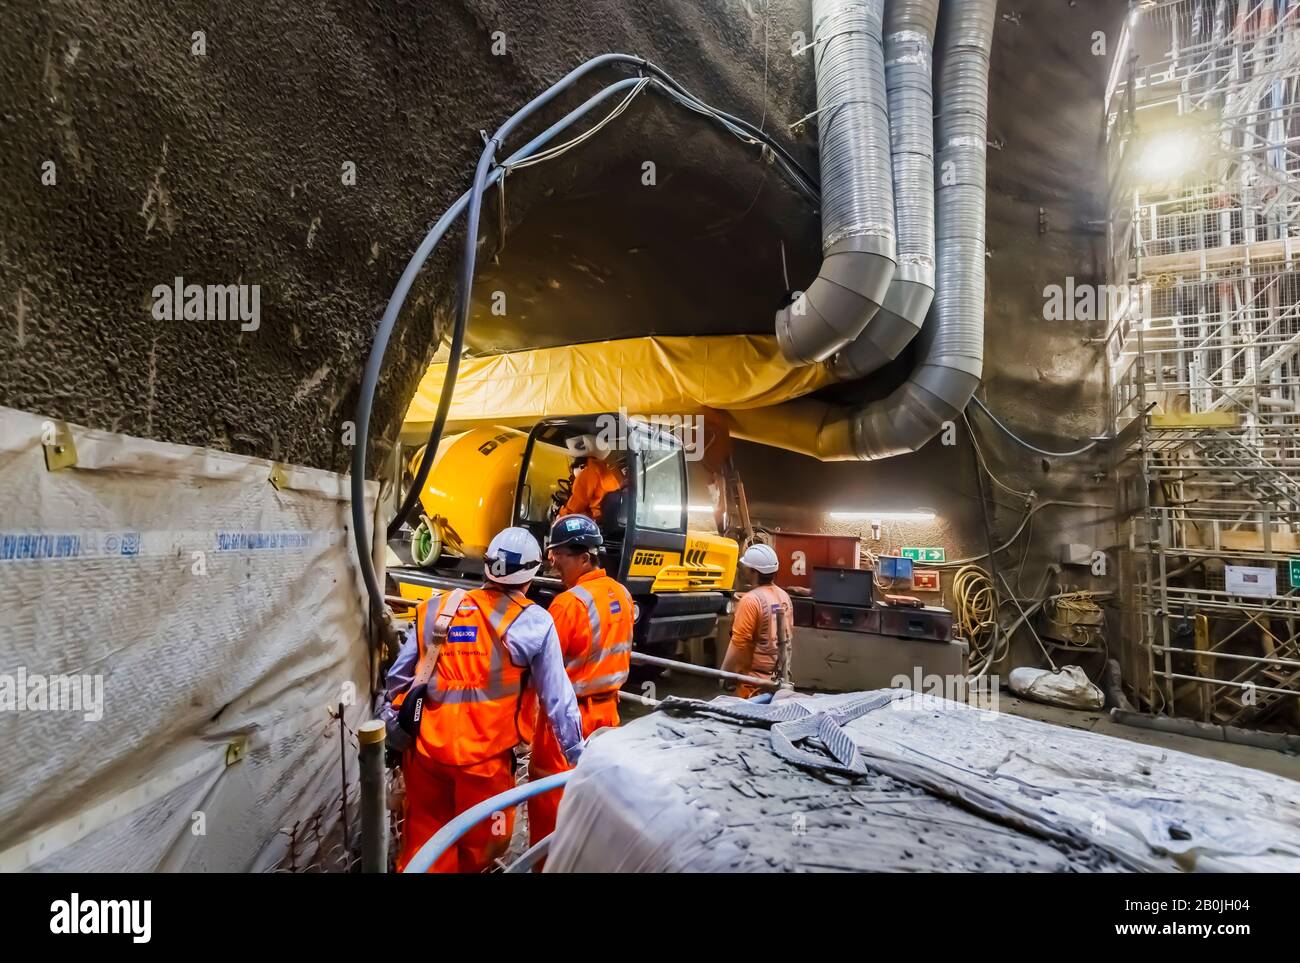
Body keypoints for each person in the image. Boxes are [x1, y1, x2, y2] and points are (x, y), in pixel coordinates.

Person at [381, 527, 584, 873]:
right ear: (532, 574)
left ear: (488, 567)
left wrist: (391, 735)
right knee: (483, 849)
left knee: (424, 848)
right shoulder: (534, 623)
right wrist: (579, 758)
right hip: (485, 768)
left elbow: (397, 680)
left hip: (426, 759)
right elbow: (558, 700)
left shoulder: (436, 609)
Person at [527, 514, 633, 852]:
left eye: (560, 555)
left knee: (550, 807)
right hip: (609, 719)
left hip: (566, 723)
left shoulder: (569, 604)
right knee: (596, 805)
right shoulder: (623, 595)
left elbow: (541, 670)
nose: (553, 562)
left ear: (585, 557)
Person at [721, 543, 794, 699]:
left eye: (746, 567)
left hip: (752, 685)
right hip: (778, 681)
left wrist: (724, 674)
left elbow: (739, 643)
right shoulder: (784, 597)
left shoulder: (750, 601)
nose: (743, 570)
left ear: (754, 571)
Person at [557, 435, 624, 525]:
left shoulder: (588, 472)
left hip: (593, 521)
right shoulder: (605, 471)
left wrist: (561, 516)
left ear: (581, 466)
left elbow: (577, 504)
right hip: (602, 521)